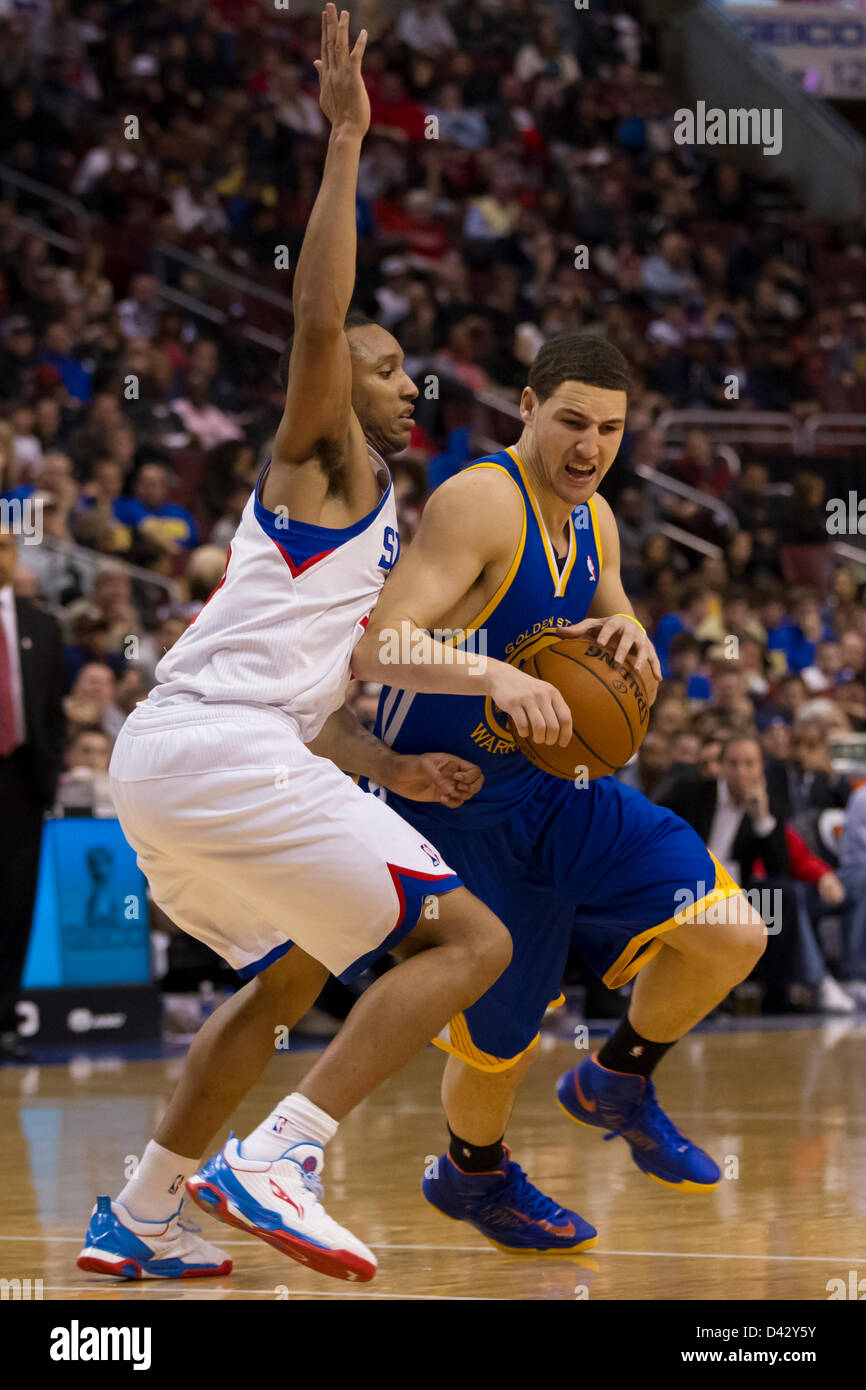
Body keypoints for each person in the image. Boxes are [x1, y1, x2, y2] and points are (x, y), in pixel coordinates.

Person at [78, 6, 559, 1285]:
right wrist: (345, 142)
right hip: (214, 754)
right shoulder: (319, 454)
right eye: (388, 366)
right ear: (338, 389)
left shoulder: (364, 526)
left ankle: (139, 1211)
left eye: (408, 372)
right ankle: (281, 1155)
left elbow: (341, 682)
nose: (410, 386)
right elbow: (315, 320)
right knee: (471, 945)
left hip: (189, 760)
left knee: (288, 977)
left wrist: (392, 768)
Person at [345, 333, 768, 1252]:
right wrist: (495, 677)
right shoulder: (480, 502)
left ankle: (617, 1077)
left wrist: (636, 635)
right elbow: (378, 646)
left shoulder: (596, 517)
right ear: (527, 408)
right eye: (573, 420)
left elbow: (610, 604)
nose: (591, 446)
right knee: (499, 1046)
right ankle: (473, 1173)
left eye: (611, 429)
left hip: (564, 791)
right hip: (455, 808)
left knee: (732, 931)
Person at [0, 529, 65, 1063]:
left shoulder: (42, 626)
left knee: (15, 904)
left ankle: (4, 1023)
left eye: (6, 546)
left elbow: (51, 713)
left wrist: (50, 774)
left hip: (21, 781)